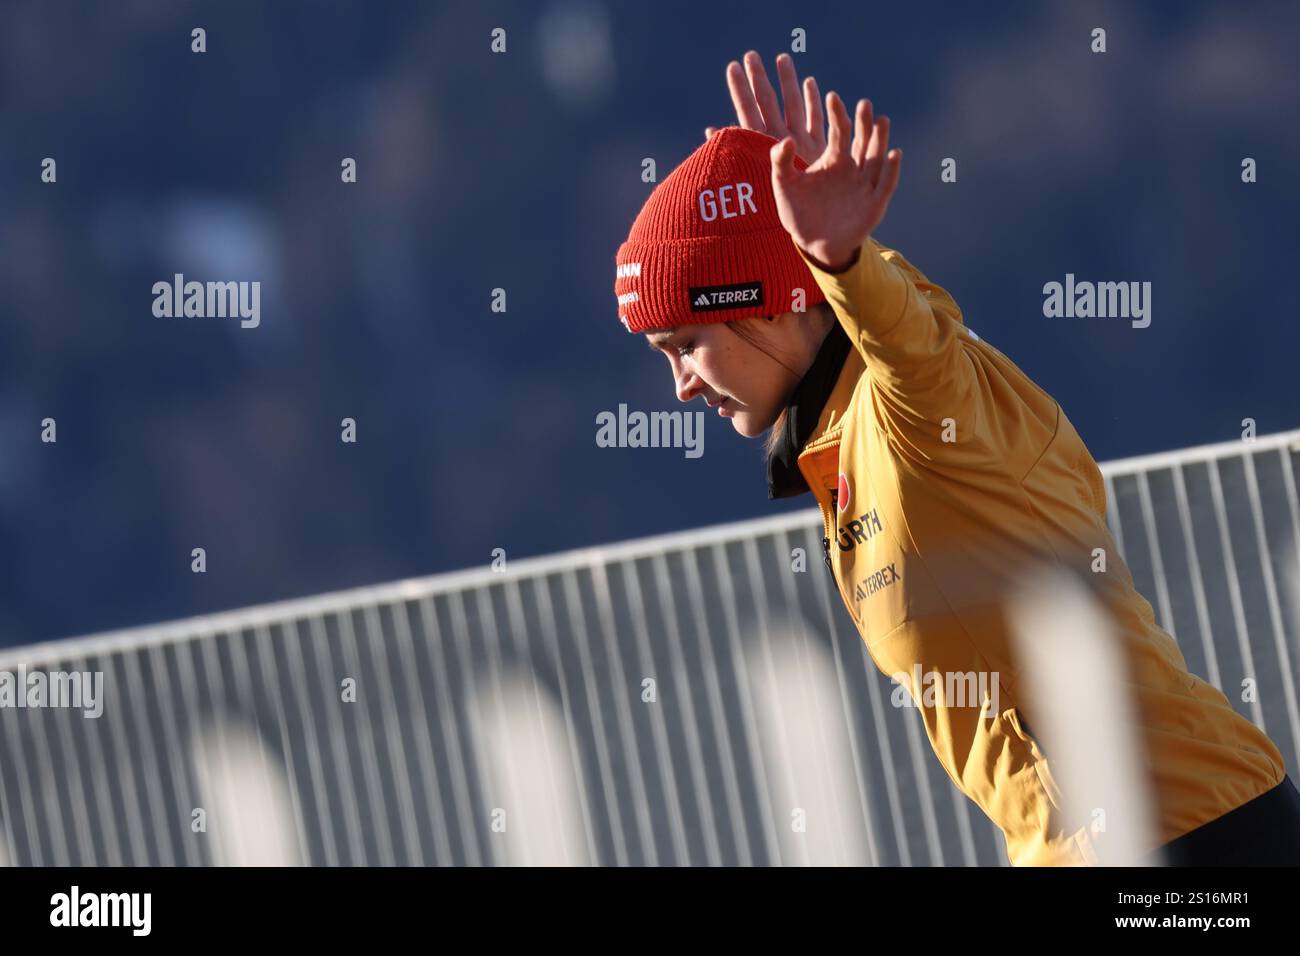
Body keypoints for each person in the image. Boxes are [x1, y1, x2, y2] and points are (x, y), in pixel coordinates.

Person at [612, 51, 1300, 865]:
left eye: (685, 344)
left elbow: (907, 334)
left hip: (1182, 834)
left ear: (767, 300)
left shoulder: (908, 406)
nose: (682, 388)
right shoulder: (844, 434)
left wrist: (836, 258)